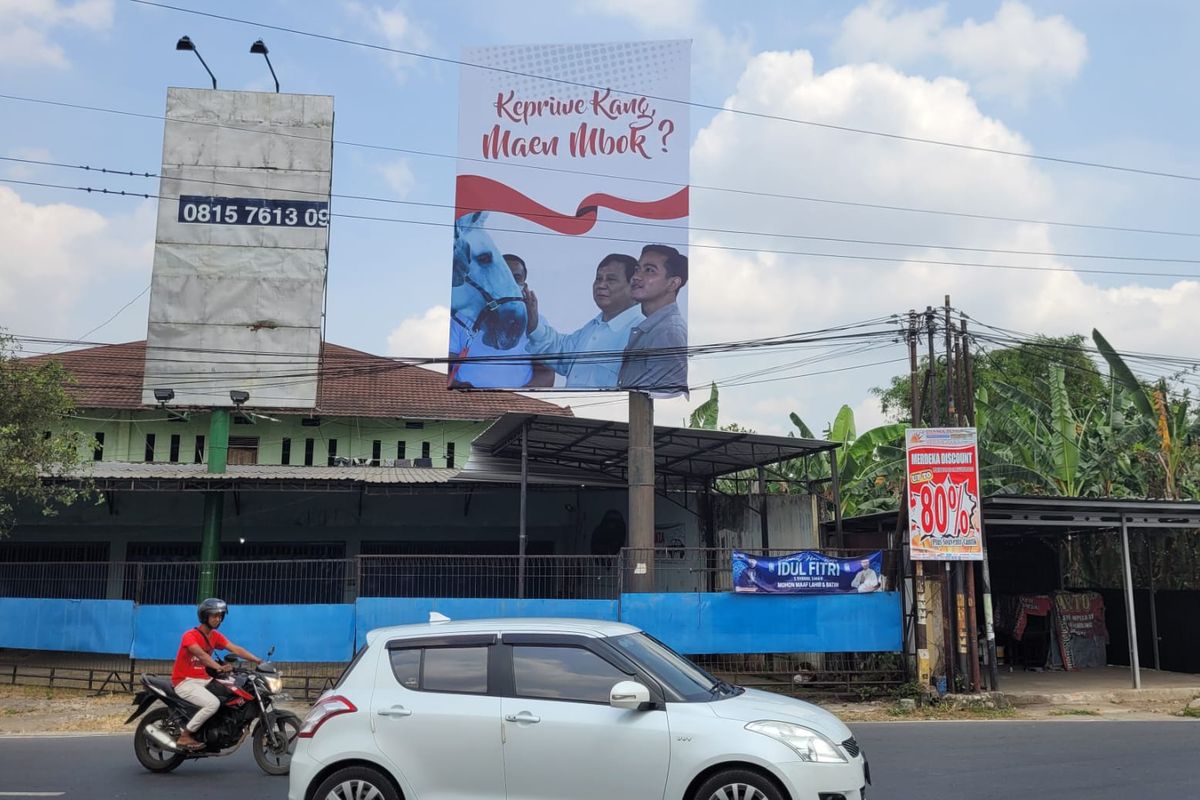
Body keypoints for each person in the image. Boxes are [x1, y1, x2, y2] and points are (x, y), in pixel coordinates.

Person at [525, 253, 643, 388]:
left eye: (611, 279)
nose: (601, 285)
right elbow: (562, 351)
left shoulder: (642, 331)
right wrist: (533, 325)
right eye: (598, 279)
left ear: (633, 286)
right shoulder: (594, 327)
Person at [171, 597, 261, 750]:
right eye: (214, 615)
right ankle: (185, 736)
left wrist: (258, 660)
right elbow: (202, 656)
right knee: (213, 703)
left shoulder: (215, 636)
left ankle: (217, 731)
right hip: (185, 682)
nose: (218, 619)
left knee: (229, 694)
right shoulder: (189, 635)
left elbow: (235, 649)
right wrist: (218, 667)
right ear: (205, 616)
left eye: (220, 616)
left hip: (204, 680)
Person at [617, 244, 688, 395]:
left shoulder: (668, 331)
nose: (636, 277)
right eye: (637, 269)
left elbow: (668, 397)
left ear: (673, 283)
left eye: (649, 270)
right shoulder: (653, 328)